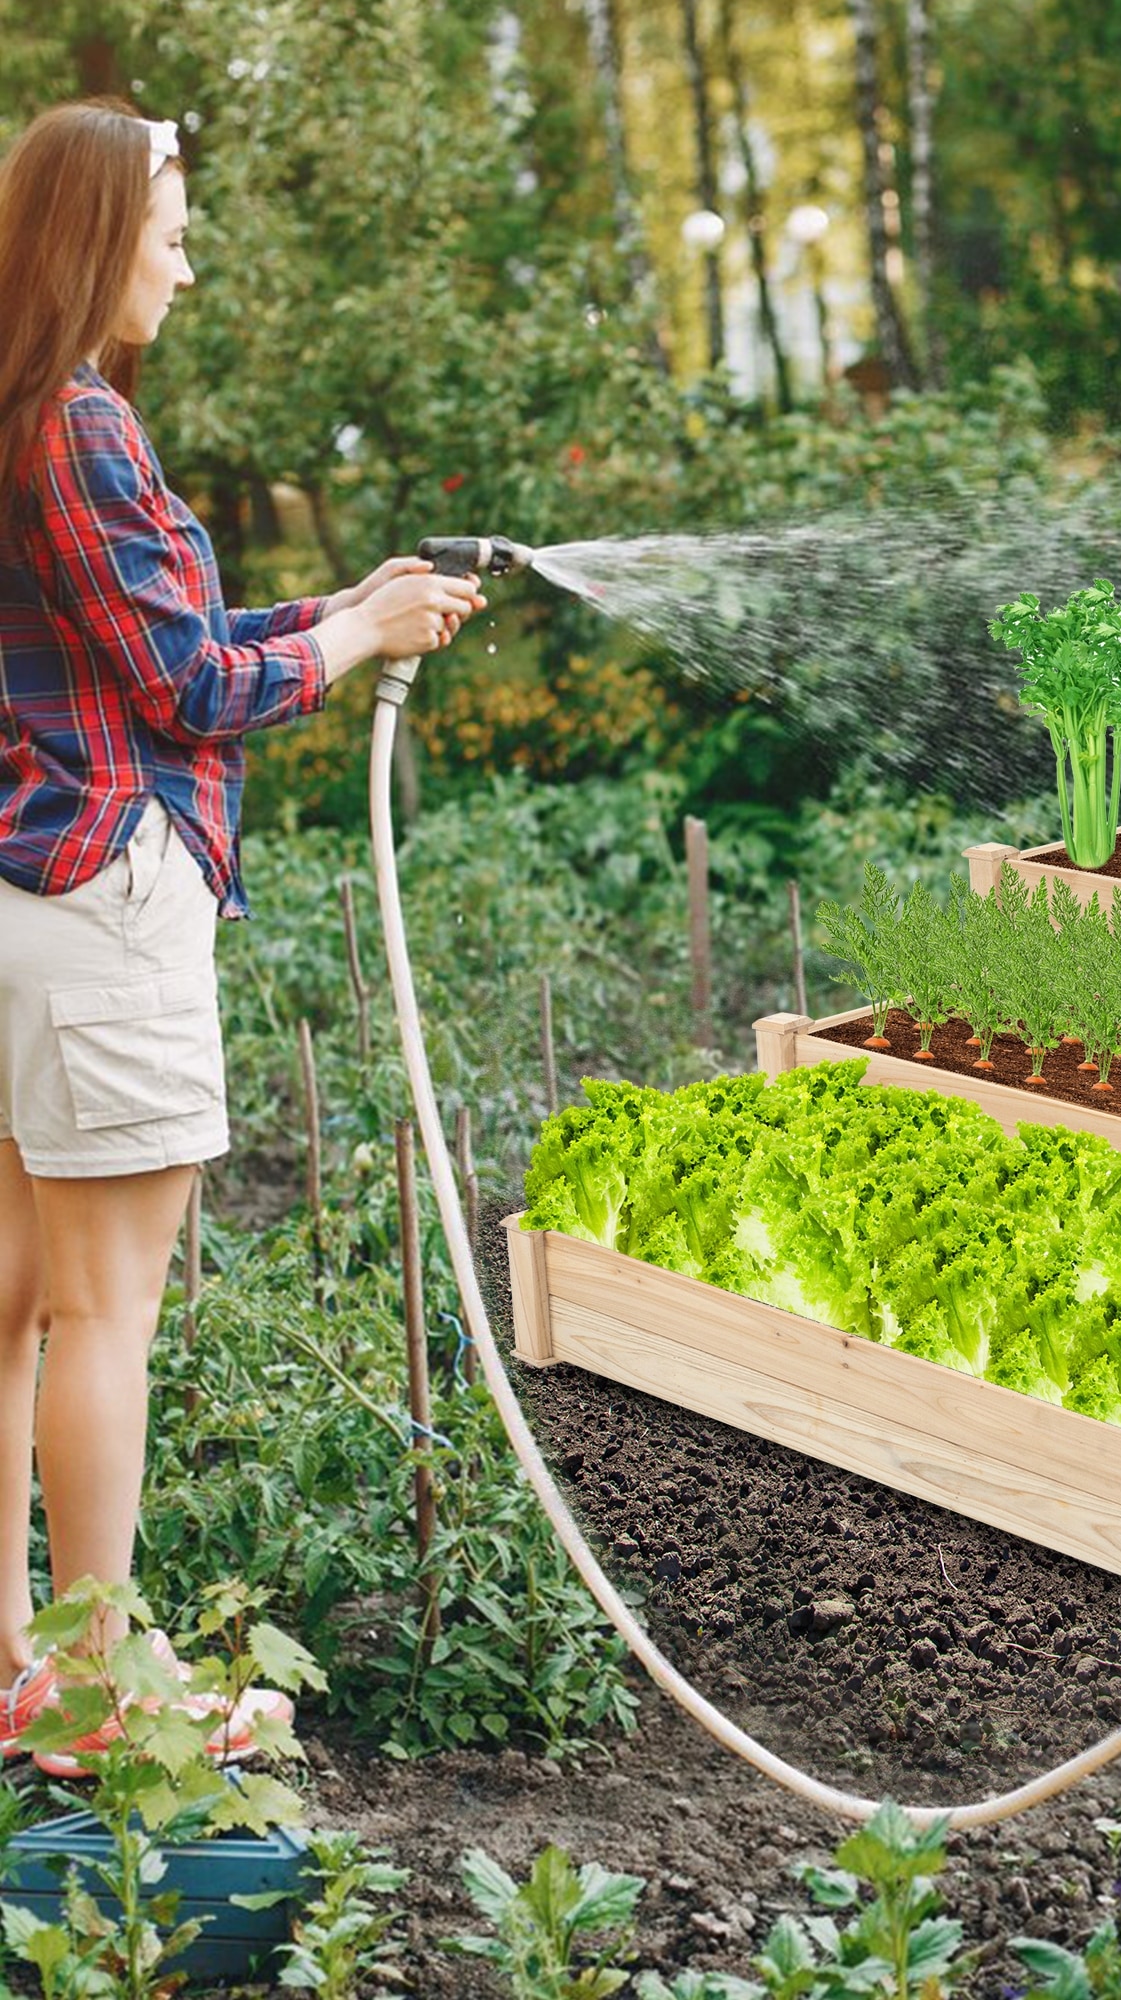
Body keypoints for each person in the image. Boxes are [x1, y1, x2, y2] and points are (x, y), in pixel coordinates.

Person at [0, 99, 485, 1774]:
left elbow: (167, 629)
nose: (189, 264)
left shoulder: (23, 422)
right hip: (99, 903)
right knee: (104, 1311)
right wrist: (351, 647)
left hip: (17, 901)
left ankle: (14, 1664)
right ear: (94, 237)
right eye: (175, 229)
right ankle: (94, 1693)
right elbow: (191, 686)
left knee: (13, 1304)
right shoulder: (79, 425)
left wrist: (349, 606)